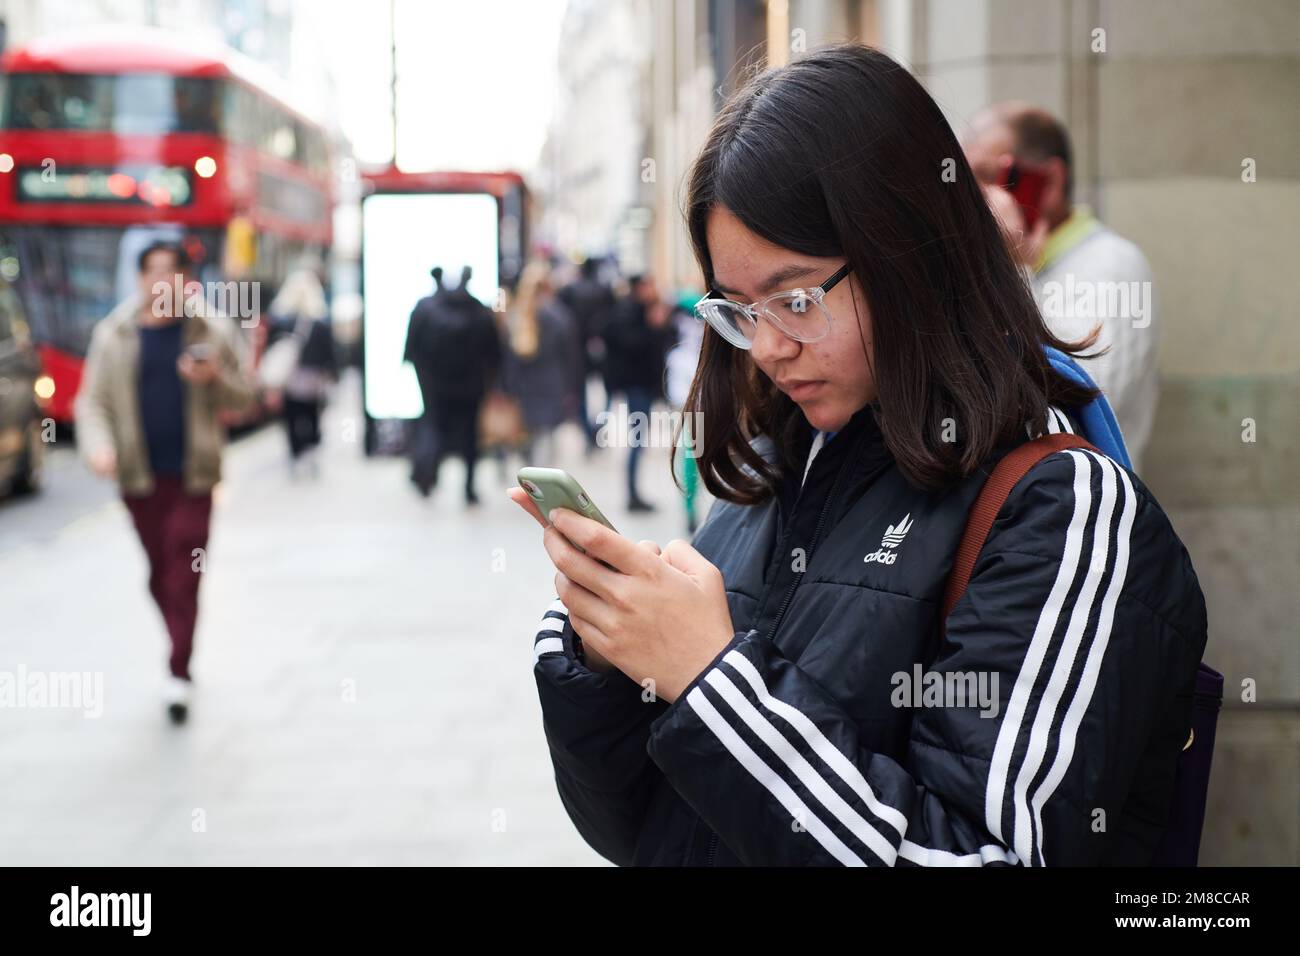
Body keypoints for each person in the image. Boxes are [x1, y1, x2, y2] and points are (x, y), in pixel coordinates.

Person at [509, 44, 1207, 867]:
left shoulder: (1063, 510)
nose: (768, 347)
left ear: (910, 252)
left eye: (798, 300)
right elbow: (648, 832)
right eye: (739, 308)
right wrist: (606, 659)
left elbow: (993, 857)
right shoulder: (772, 469)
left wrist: (709, 681)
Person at [75, 239, 255, 724]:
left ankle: (178, 668)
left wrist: (213, 378)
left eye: (169, 272)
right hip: (139, 478)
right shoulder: (114, 333)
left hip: (195, 476)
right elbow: (91, 403)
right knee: (159, 573)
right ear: (139, 279)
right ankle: (179, 642)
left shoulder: (211, 329)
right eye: (150, 272)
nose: (159, 282)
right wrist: (99, 447)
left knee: (184, 563)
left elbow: (245, 398)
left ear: (184, 279)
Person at [963, 103, 1159, 472]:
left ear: (1049, 181)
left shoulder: (1112, 264)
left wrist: (1013, 265)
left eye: (988, 177)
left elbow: (1070, 409)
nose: (971, 198)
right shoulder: (1005, 264)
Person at [403, 265, 501, 504]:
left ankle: (427, 476)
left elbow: (411, 348)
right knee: (470, 436)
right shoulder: (479, 310)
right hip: (471, 386)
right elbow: (494, 352)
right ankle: (468, 488)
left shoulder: (426, 308)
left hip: (435, 386)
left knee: (433, 427)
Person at [602, 273, 674, 512]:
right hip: (637, 386)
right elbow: (628, 346)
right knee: (637, 439)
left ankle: (634, 492)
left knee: (639, 439)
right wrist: (654, 327)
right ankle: (632, 493)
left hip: (647, 385)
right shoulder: (627, 313)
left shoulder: (647, 309)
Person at [501, 260, 582, 466]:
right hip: (552, 386)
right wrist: (572, 389)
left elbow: (509, 360)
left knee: (530, 440)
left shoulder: (517, 317)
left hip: (525, 389)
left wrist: (508, 388)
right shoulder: (559, 316)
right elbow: (571, 357)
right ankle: (540, 489)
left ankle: (530, 481)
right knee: (545, 443)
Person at [265, 265, 337, 477]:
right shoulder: (320, 323)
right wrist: (333, 375)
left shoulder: (279, 320)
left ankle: (296, 452)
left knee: (291, 416)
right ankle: (310, 449)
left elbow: (271, 350)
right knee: (312, 415)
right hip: (313, 379)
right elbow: (329, 353)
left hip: (288, 378)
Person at [556, 257, 615, 452]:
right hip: (601, 347)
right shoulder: (604, 290)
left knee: (580, 393)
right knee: (606, 392)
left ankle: (588, 430)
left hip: (577, 349)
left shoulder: (570, 290)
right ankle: (596, 429)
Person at [404, 266, 448, 494]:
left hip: (426, 372)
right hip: (445, 375)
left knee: (429, 421)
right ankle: (427, 469)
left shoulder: (424, 305)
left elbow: (411, 342)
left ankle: (424, 468)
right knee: (434, 422)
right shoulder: (448, 306)